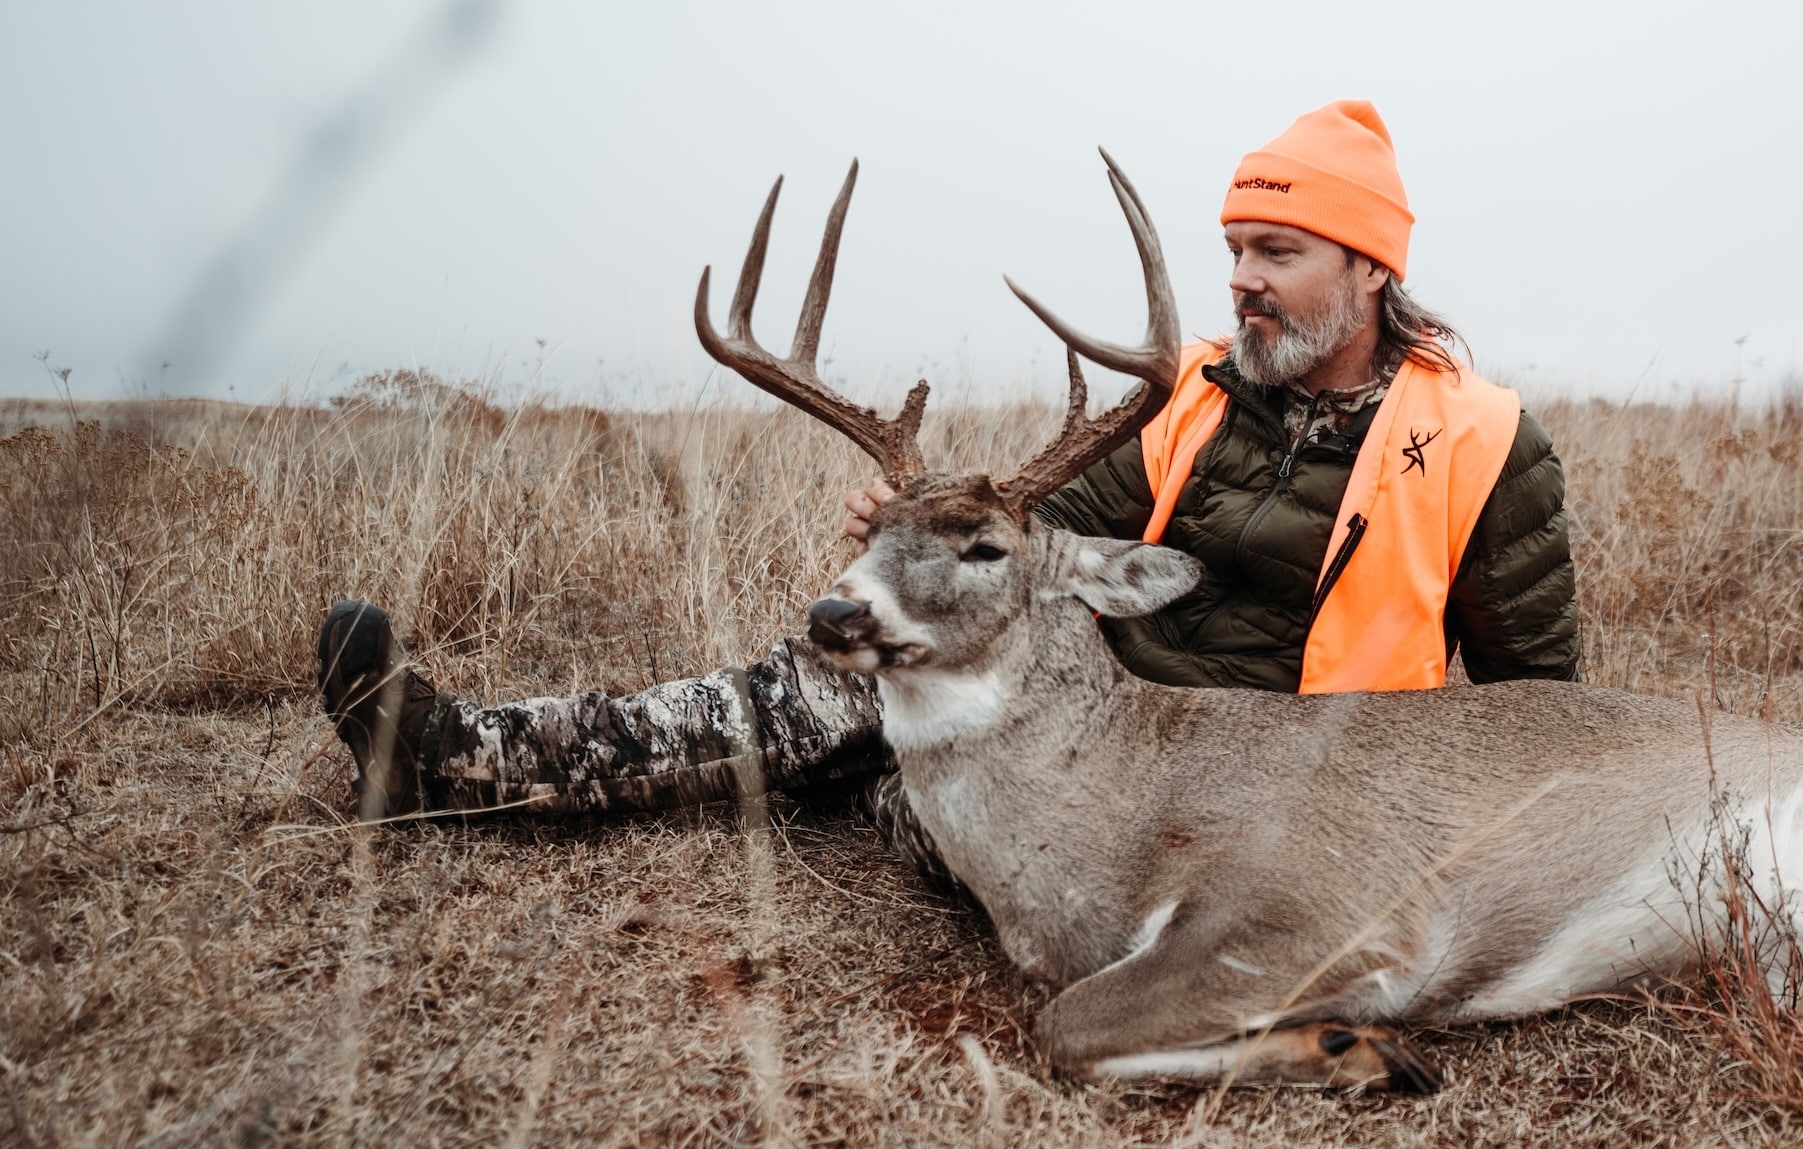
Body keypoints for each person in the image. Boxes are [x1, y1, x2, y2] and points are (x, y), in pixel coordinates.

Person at [318, 100, 1578, 864]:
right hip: (1090, 712)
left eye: (1279, 252)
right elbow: (1050, 535)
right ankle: (455, 757)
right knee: (837, 679)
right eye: (1234, 248)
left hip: (1275, 787)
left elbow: (1540, 714)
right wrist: (928, 533)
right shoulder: (1190, 391)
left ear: (1369, 270)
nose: (1241, 280)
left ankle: (866, 792)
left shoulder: (1480, 441)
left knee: (912, 779)